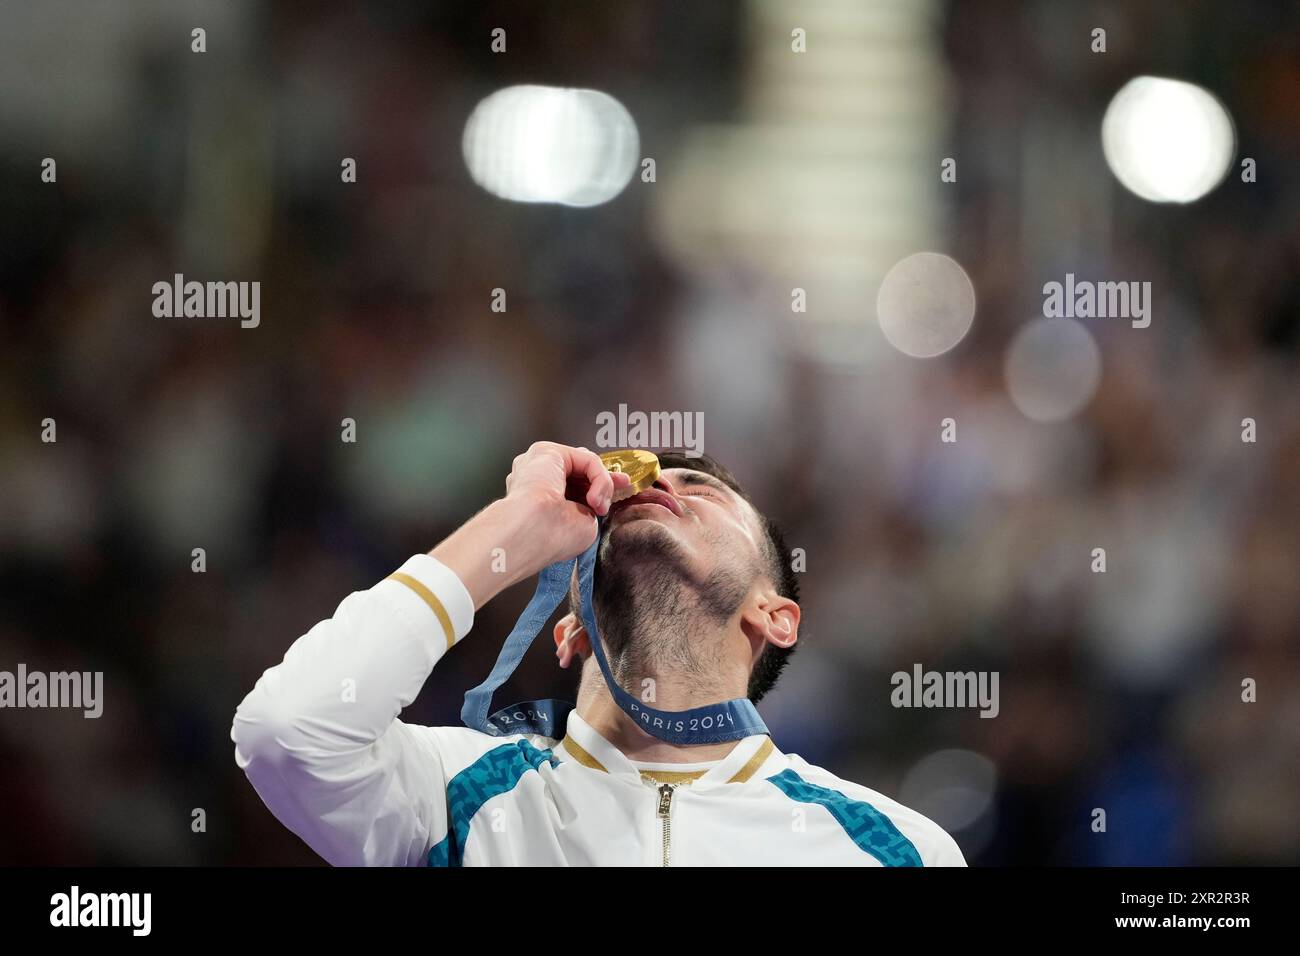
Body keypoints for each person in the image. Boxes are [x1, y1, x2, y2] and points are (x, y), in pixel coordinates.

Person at [232, 441, 966, 866]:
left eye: (698, 488)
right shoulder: (456, 797)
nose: (652, 485)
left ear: (775, 618)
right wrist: (518, 527)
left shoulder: (893, 848)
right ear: (569, 631)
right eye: (636, 490)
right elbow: (287, 730)